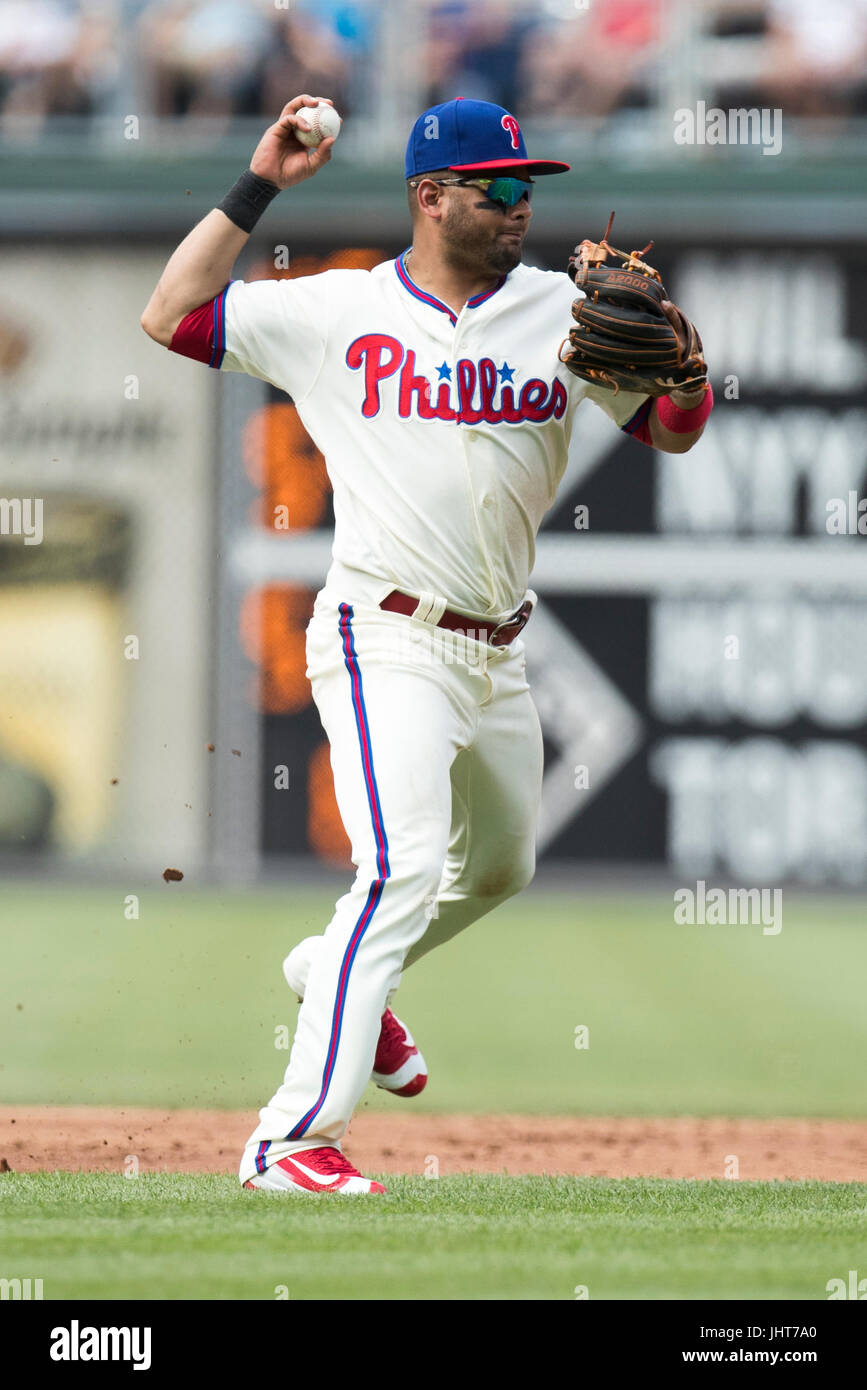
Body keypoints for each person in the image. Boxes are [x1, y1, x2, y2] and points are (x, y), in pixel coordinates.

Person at [141, 95, 711, 1196]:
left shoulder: (560, 312)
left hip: (496, 651)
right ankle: (289, 1138)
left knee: (500, 865)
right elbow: (170, 315)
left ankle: (328, 970)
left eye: (527, 188)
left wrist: (687, 380)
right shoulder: (338, 309)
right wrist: (260, 186)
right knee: (399, 865)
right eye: (496, 188)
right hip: (380, 634)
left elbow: (670, 434)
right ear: (430, 196)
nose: (517, 206)